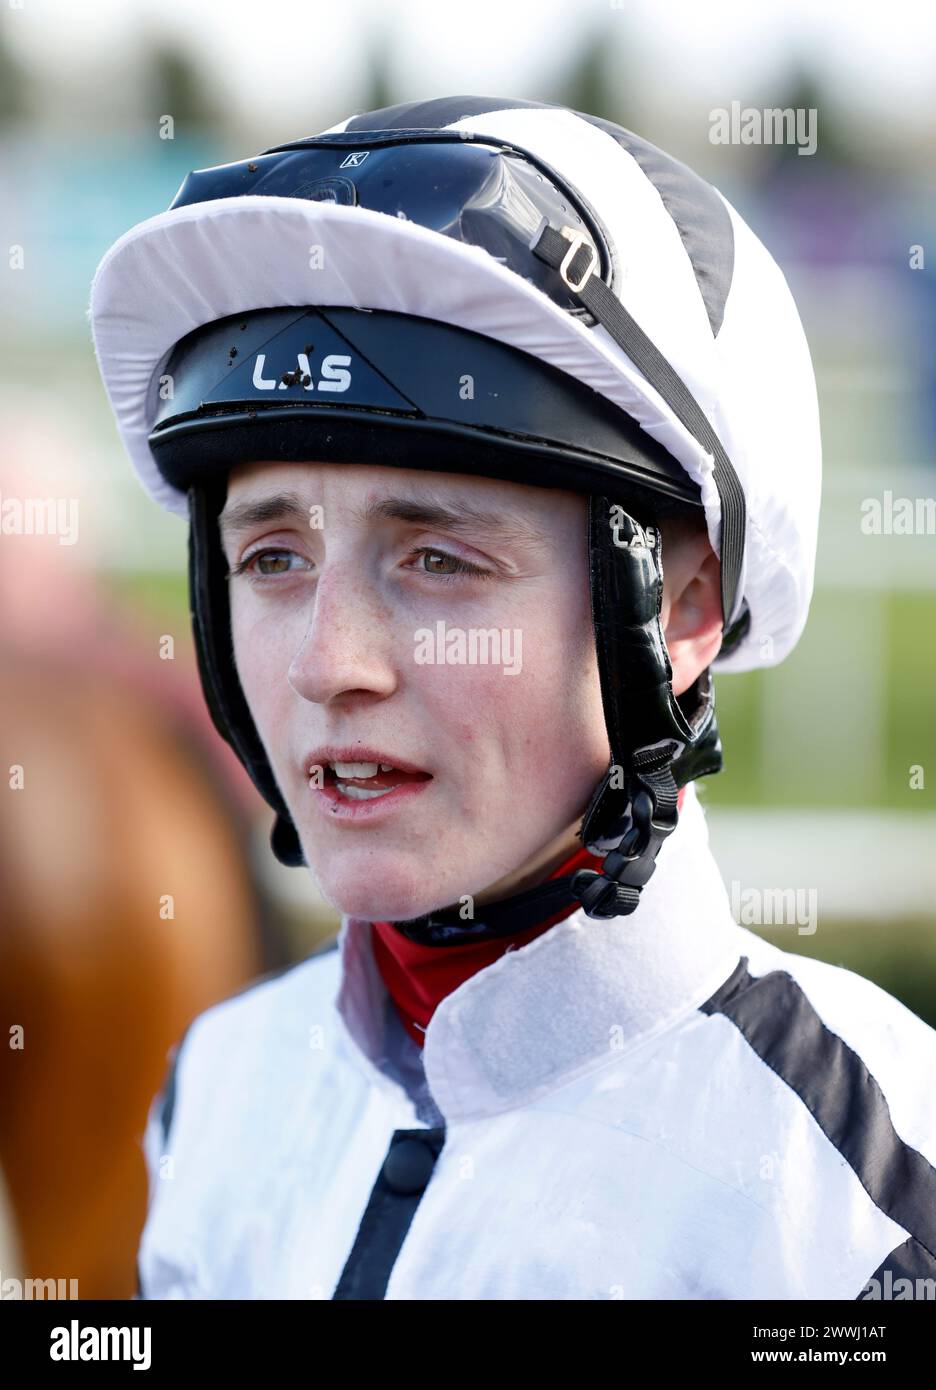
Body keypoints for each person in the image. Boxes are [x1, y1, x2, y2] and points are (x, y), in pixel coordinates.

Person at [90, 96, 936, 1301]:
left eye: (437, 558)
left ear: (682, 607)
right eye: (272, 556)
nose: (332, 663)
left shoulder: (860, 1207)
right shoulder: (218, 1087)